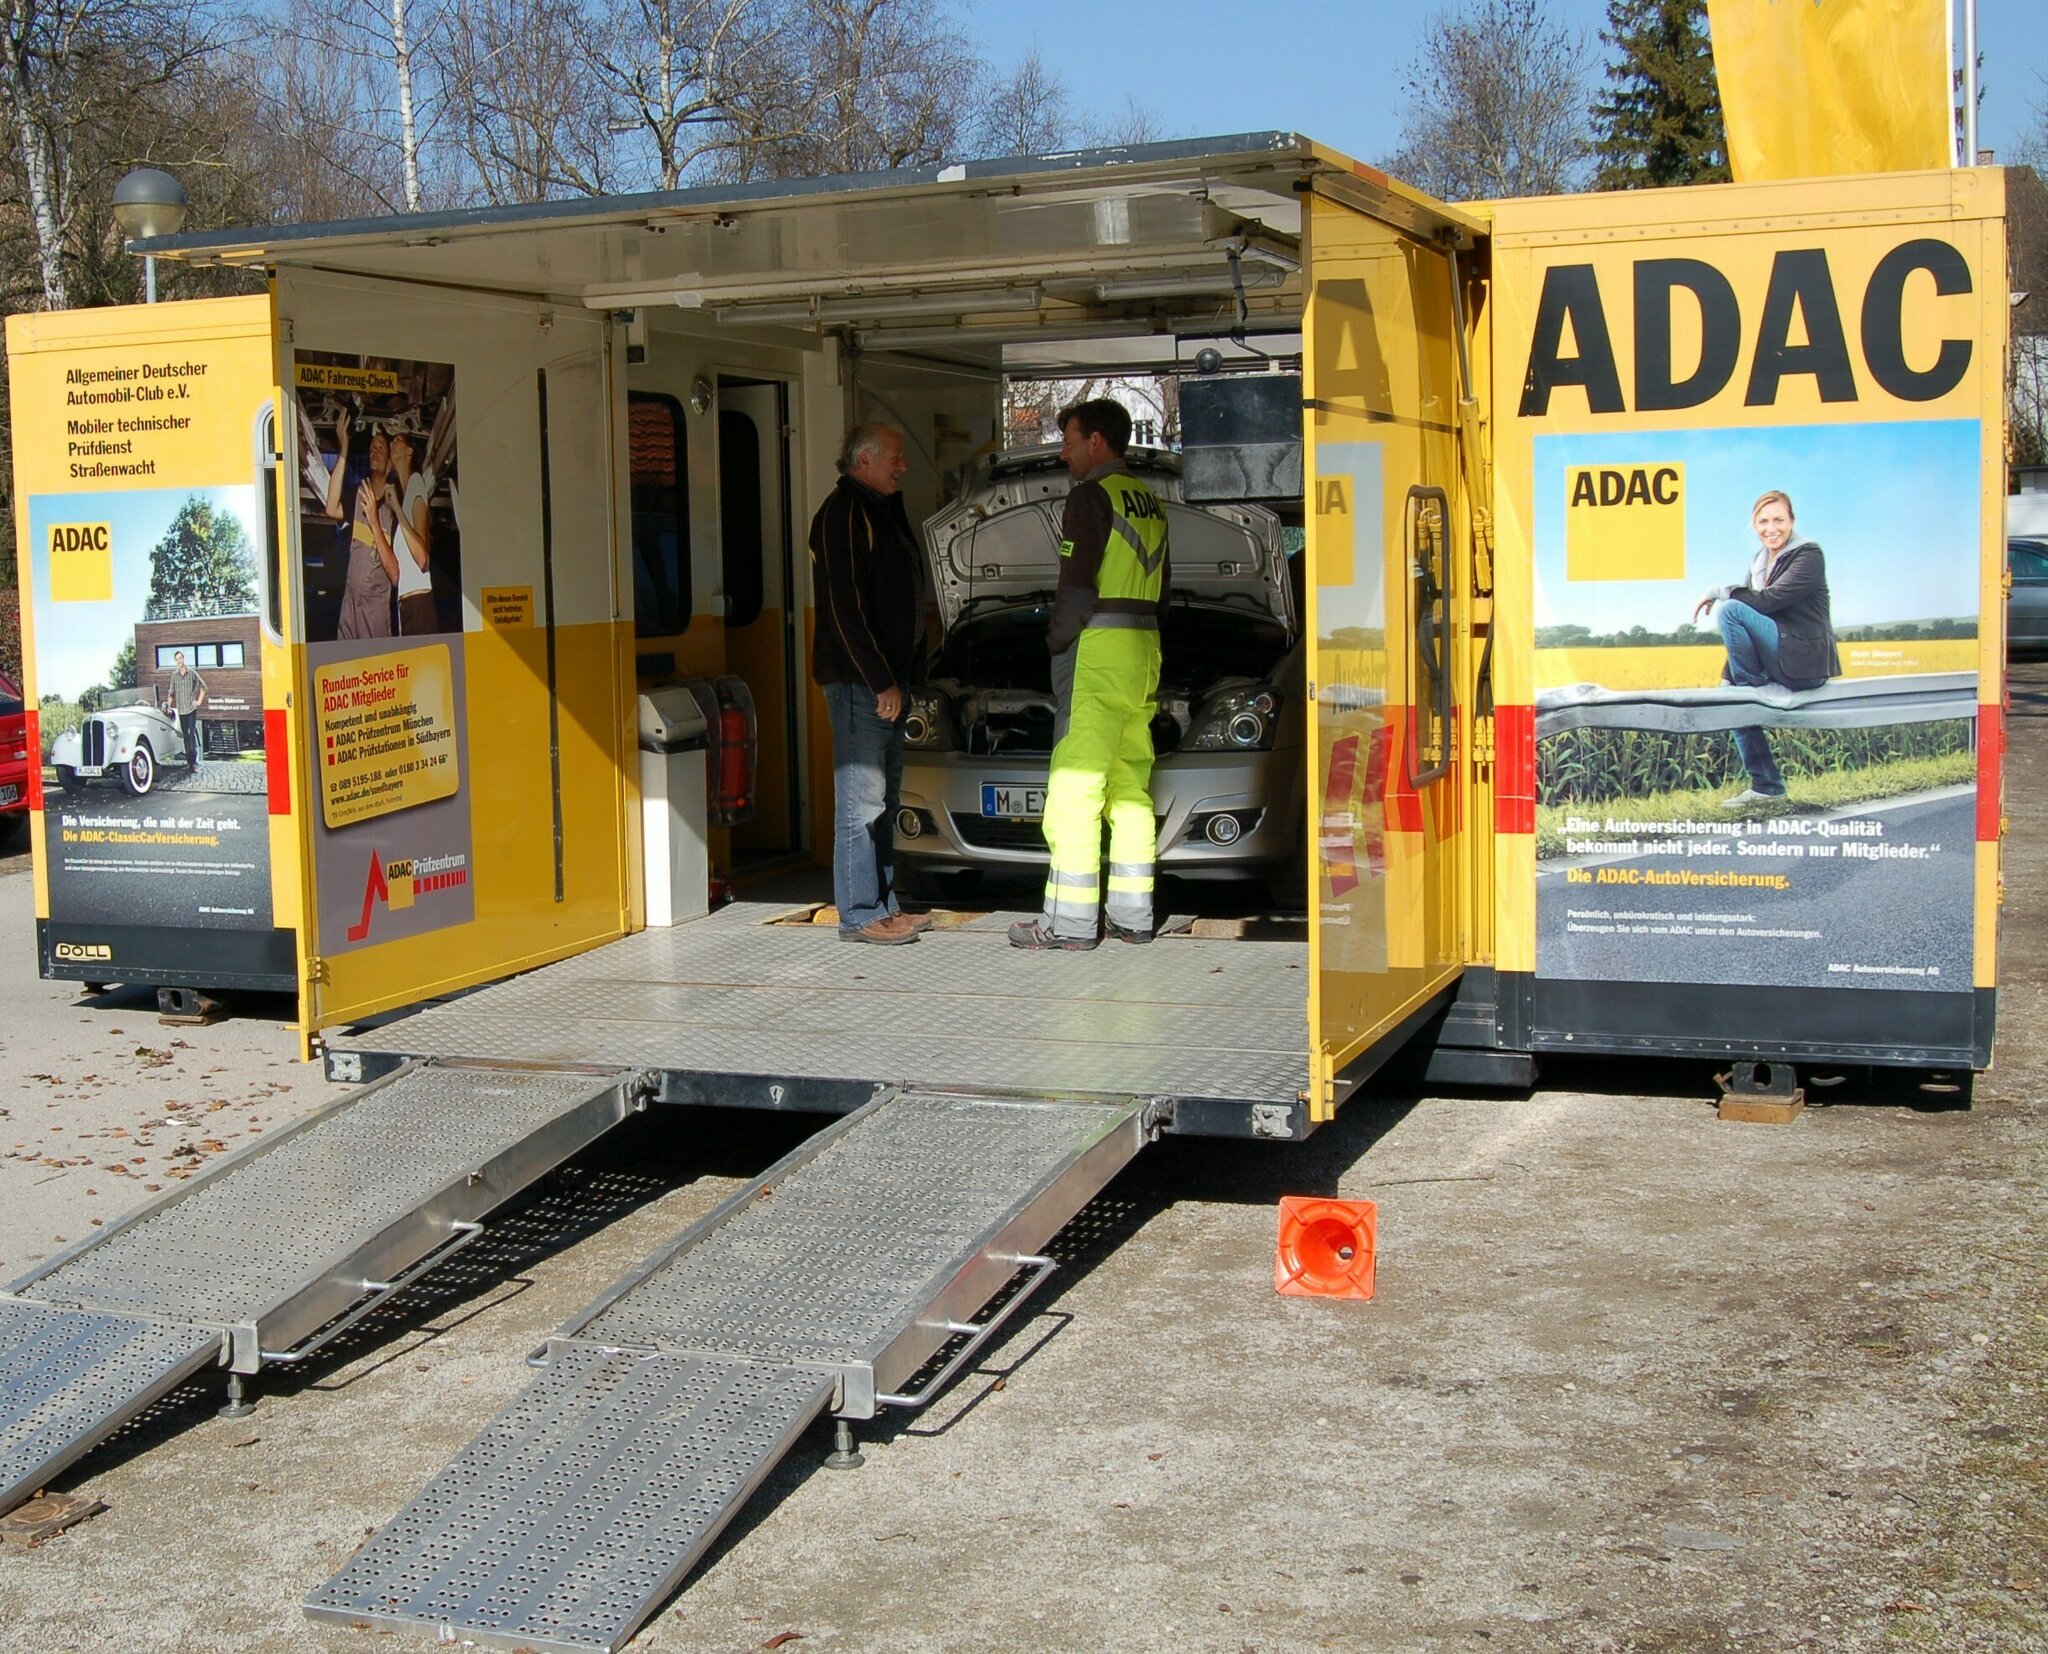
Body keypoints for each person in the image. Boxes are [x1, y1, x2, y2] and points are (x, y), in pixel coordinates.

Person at [1009, 399, 1171, 951]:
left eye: (1070, 441)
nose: (1064, 452)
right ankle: (1133, 916)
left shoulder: (1089, 498)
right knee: (1130, 788)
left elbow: (1075, 588)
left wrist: (1056, 642)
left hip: (1097, 652)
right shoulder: (1147, 500)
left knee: (1075, 788)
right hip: (1142, 650)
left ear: (1096, 442)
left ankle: (1070, 923)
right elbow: (1164, 590)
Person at [808, 422, 932, 945]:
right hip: (863, 686)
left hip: (888, 684)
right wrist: (880, 679)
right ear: (865, 461)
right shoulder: (843, 514)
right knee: (860, 804)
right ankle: (860, 914)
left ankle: (885, 904)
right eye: (895, 457)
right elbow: (845, 609)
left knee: (883, 799)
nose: (902, 465)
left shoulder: (878, 510)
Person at [1692, 489, 1839, 808]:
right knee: (1732, 692)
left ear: (1792, 521)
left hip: (1804, 661)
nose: (1771, 528)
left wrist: (1720, 591)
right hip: (1778, 657)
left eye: (1779, 520)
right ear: (1753, 525)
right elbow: (1751, 625)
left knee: (1729, 609)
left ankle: (1749, 687)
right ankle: (1767, 787)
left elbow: (1767, 603)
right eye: (1763, 521)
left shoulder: (1808, 555)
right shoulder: (1758, 563)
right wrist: (1730, 678)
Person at [328, 422, 399, 640]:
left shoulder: (395, 509)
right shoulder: (358, 494)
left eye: (380, 448)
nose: (373, 451)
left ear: (389, 465)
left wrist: (375, 522)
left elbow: (395, 576)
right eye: (372, 447)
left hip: (375, 612)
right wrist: (344, 450)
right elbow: (331, 508)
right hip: (350, 603)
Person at [388, 428, 437, 635]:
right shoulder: (407, 492)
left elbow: (422, 558)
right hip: (407, 606)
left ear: (409, 452)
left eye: (397, 440)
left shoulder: (416, 482)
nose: (392, 443)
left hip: (418, 606)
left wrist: (397, 509)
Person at [165, 650, 207, 768]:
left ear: (183, 659)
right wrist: (168, 706)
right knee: (186, 736)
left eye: (180, 658)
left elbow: (203, 686)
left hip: (191, 709)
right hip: (181, 711)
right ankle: (189, 762)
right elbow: (171, 693)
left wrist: (199, 701)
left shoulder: (192, 673)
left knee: (191, 734)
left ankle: (194, 763)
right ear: (175, 661)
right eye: (177, 659)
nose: (179, 661)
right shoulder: (174, 675)